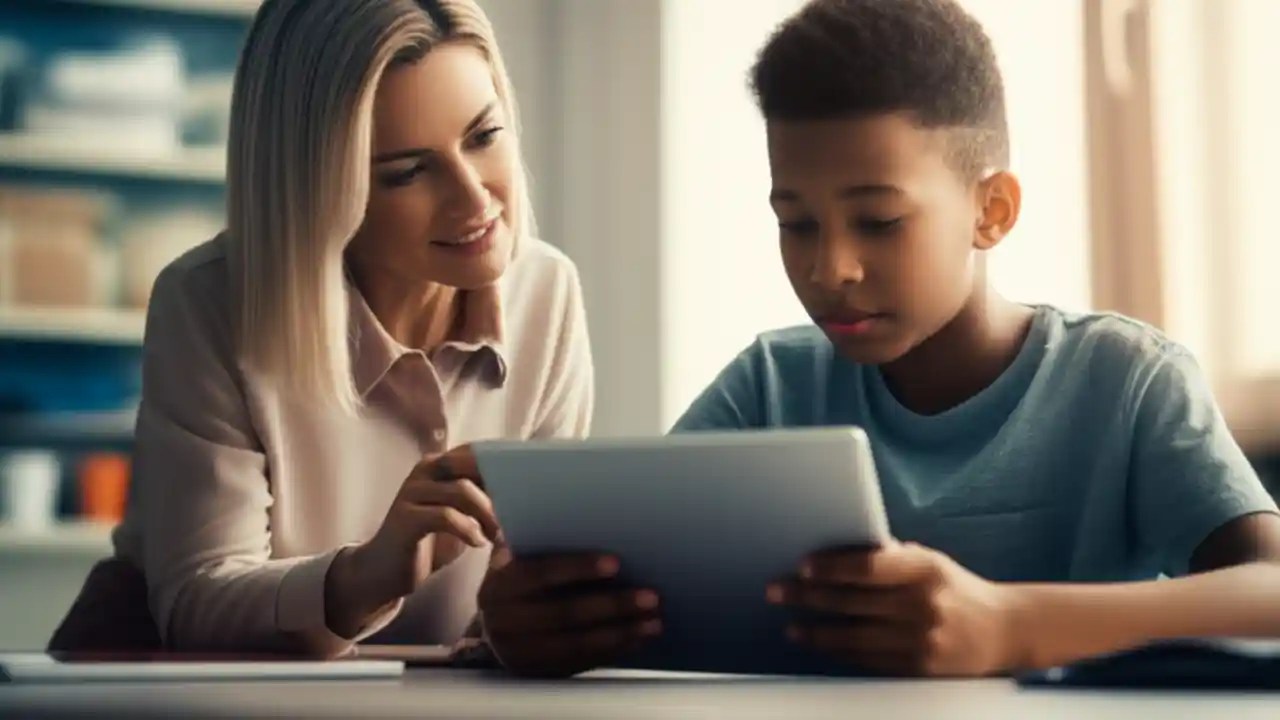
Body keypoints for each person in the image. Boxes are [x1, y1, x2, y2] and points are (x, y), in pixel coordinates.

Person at [475, 0, 1280, 678]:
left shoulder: (1126, 380)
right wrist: (538, 620)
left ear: (991, 210)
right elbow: (631, 583)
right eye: (795, 223)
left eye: (880, 221)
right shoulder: (771, 384)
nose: (832, 269)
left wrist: (1008, 625)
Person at [50, 0, 597, 656]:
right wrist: (366, 575)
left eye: (484, 136)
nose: (475, 198)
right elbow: (195, 603)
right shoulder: (208, 303)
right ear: (318, 188)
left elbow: (520, 596)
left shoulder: (548, 291)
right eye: (409, 172)